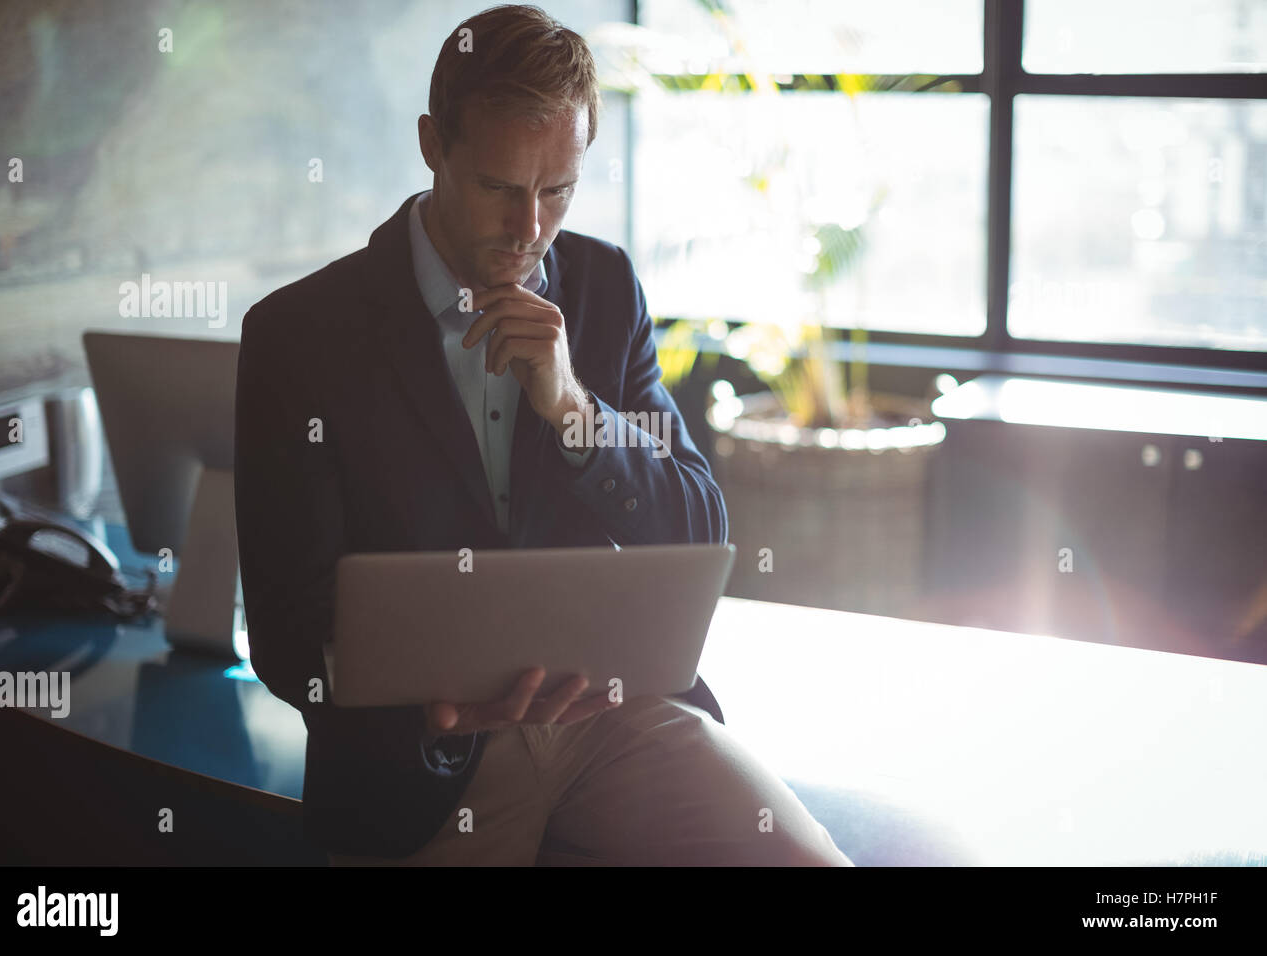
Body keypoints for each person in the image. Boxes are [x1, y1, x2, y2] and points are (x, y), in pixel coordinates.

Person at [233, 2, 853, 866]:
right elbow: (286, 638)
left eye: (557, 190)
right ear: (431, 145)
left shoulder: (603, 286)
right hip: (419, 768)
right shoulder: (298, 334)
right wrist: (433, 714)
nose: (529, 229)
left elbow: (696, 530)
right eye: (499, 187)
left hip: (612, 715)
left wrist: (574, 410)